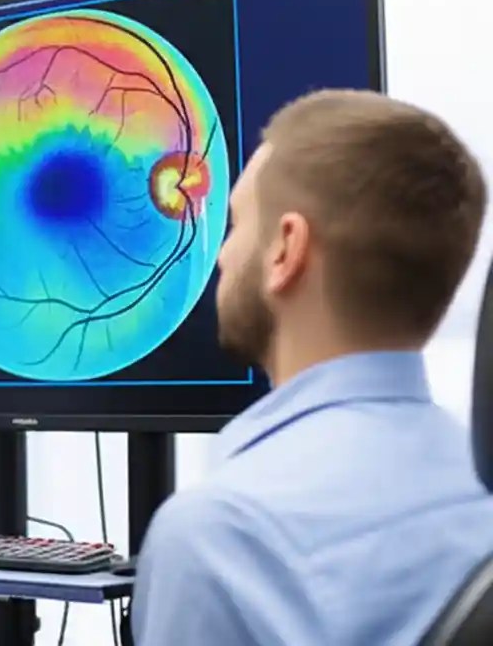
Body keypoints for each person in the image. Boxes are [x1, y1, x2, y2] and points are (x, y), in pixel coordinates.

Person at [130, 89, 493, 645]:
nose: (222, 255)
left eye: (235, 223)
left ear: (286, 248)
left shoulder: (218, 537)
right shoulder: (477, 497)